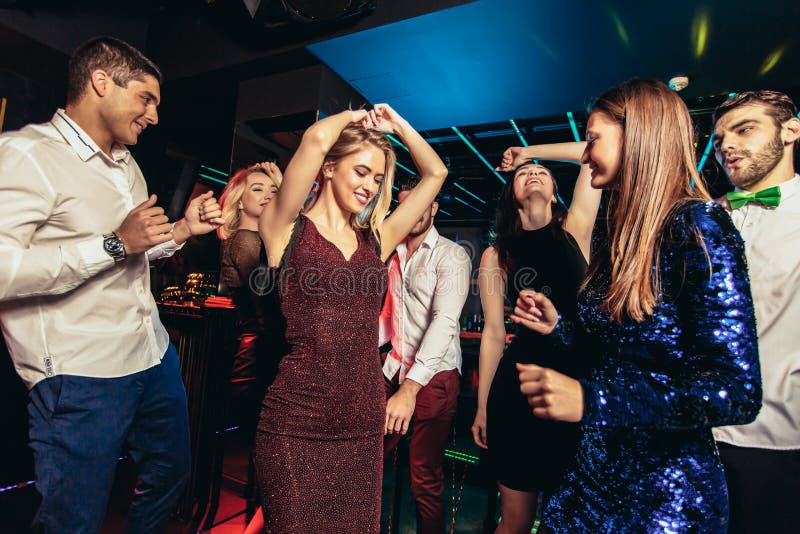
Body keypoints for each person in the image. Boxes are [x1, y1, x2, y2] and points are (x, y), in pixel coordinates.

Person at [512, 79, 762, 532]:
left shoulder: (699, 227)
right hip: (586, 482)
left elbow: (736, 392)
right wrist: (560, 328)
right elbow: (615, 350)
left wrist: (593, 400)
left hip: (660, 499)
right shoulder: (618, 233)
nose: (585, 155)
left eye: (592, 140)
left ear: (639, 136)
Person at [0, 36, 224, 533]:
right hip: (82, 372)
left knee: (171, 474)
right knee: (73, 519)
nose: (154, 116)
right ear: (101, 82)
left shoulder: (128, 165)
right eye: (146, 98)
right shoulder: (26, 155)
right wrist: (114, 243)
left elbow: (134, 253)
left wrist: (183, 230)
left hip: (151, 352)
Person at [254, 104, 448, 532]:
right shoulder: (286, 228)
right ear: (327, 169)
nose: (370, 187)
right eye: (360, 172)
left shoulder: (375, 241)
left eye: (378, 179)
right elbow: (315, 140)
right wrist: (356, 116)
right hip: (296, 419)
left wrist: (398, 125)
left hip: (362, 421)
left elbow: (435, 175)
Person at [470, 143, 599, 533]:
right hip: (518, 390)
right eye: (525, 173)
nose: (534, 173)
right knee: (516, 520)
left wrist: (528, 152)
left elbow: (593, 154)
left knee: (570, 517)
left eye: (542, 171)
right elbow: (494, 334)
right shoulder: (496, 255)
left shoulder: (576, 227)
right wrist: (482, 407)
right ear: (511, 194)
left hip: (576, 386)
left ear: (557, 187)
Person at [710, 90, 800, 534]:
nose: (727, 144)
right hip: (698, 436)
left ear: (791, 131)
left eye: (745, 129)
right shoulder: (710, 218)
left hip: (778, 442)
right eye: (720, 136)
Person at [380, 178, 471, 534]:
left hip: (434, 378)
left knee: (423, 475)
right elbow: (388, 316)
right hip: (394, 368)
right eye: (405, 205)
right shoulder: (393, 250)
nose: (414, 211)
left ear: (434, 207)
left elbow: (444, 321)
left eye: (421, 203)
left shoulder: (452, 254)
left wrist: (410, 389)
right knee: (367, 459)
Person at [217, 161, 283, 534]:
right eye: (257, 190)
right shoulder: (247, 241)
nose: (268, 195)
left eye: (272, 190)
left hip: (257, 352)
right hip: (258, 356)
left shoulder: (257, 239)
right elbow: (268, 307)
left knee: (267, 458)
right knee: (269, 458)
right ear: (240, 202)